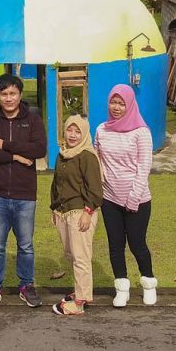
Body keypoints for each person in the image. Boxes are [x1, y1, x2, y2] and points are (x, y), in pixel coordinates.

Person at [0, 73, 47, 311]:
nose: (9, 98)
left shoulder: (33, 120)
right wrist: (17, 155)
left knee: (26, 245)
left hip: (25, 194)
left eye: (13, 93)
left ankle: (26, 285)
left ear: (19, 94)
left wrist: (5, 145)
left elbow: (38, 149)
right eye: (4, 94)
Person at [94, 84, 157, 307]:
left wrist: (132, 198)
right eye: (113, 102)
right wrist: (99, 189)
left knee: (137, 244)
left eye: (121, 103)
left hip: (137, 201)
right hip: (109, 199)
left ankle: (148, 283)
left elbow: (144, 167)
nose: (117, 107)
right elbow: (97, 159)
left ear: (130, 104)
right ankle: (122, 288)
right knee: (115, 245)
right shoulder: (102, 129)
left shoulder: (141, 132)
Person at [49, 114, 103, 317]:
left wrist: (88, 212)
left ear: (84, 133)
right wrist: (54, 209)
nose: (72, 135)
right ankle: (80, 291)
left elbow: (96, 189)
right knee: (72, 255)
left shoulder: (87, 155)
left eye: (77, 131)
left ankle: (80, 302)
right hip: (63, 212)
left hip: (81, 213)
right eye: (69, 130)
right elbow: (57, 184)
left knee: (81, 257)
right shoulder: (63, 154)